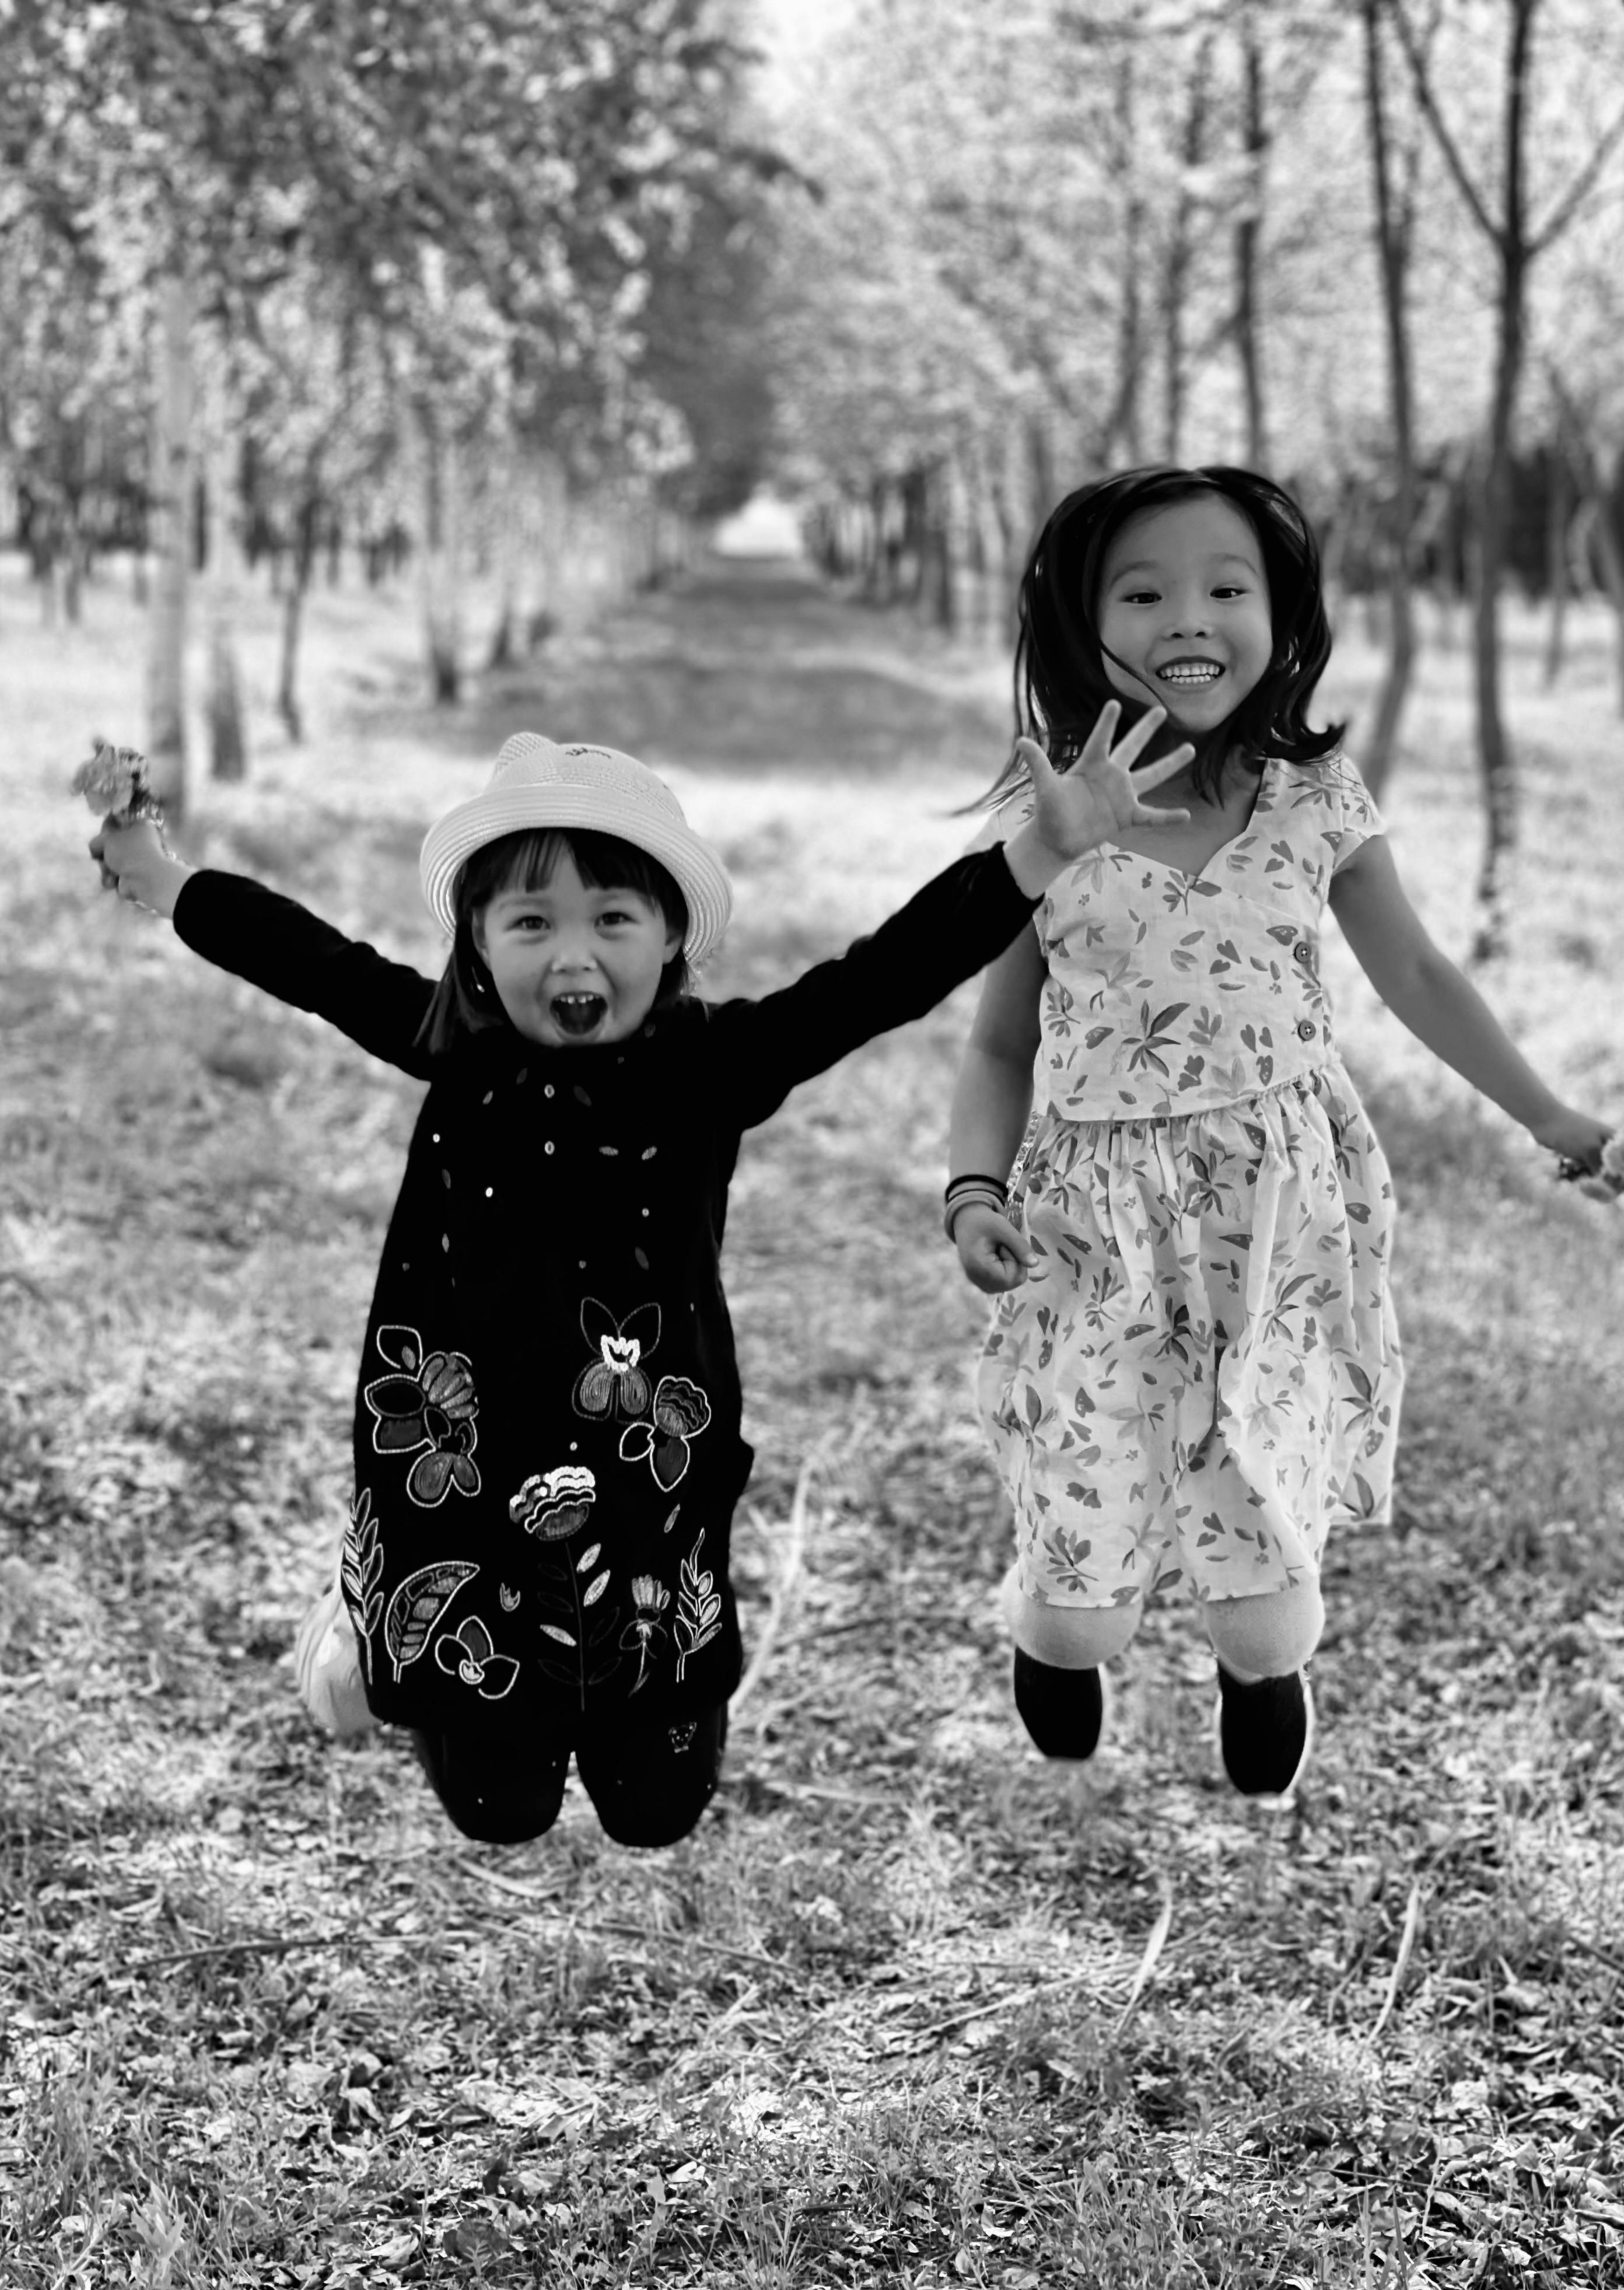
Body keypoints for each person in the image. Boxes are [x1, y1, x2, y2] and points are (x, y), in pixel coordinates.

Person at [90, 719, 1196, 1848]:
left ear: (670, 939)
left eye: (612, 918)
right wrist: (161, 874)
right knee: (499, 1815)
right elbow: (304, 958)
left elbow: (878, 981)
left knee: (656, 1817)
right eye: (530, 922)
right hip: (462, 1480)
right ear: (476, 945)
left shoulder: (712, 1067)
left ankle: (593, 1695)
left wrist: (1037, 855)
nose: (573, 955)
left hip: (647, 1483)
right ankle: (373, 1615)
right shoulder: (454, 1042)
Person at [946, 464, 1611, 1802]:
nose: (1187, 618)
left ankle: (1263, 1667)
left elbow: (1417, 976)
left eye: (1224, 587)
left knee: (1257, 1471)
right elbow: (1000, 1038)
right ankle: (1058, 1636)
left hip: (1278, 1213)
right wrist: (972, 1188)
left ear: (1280, 611)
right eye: (1142, 592)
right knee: (1090, 1479)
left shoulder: (1318, 799)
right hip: (1096, 1221)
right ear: (1084, 623)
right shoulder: (1051, 823)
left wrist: (1556, 1116)